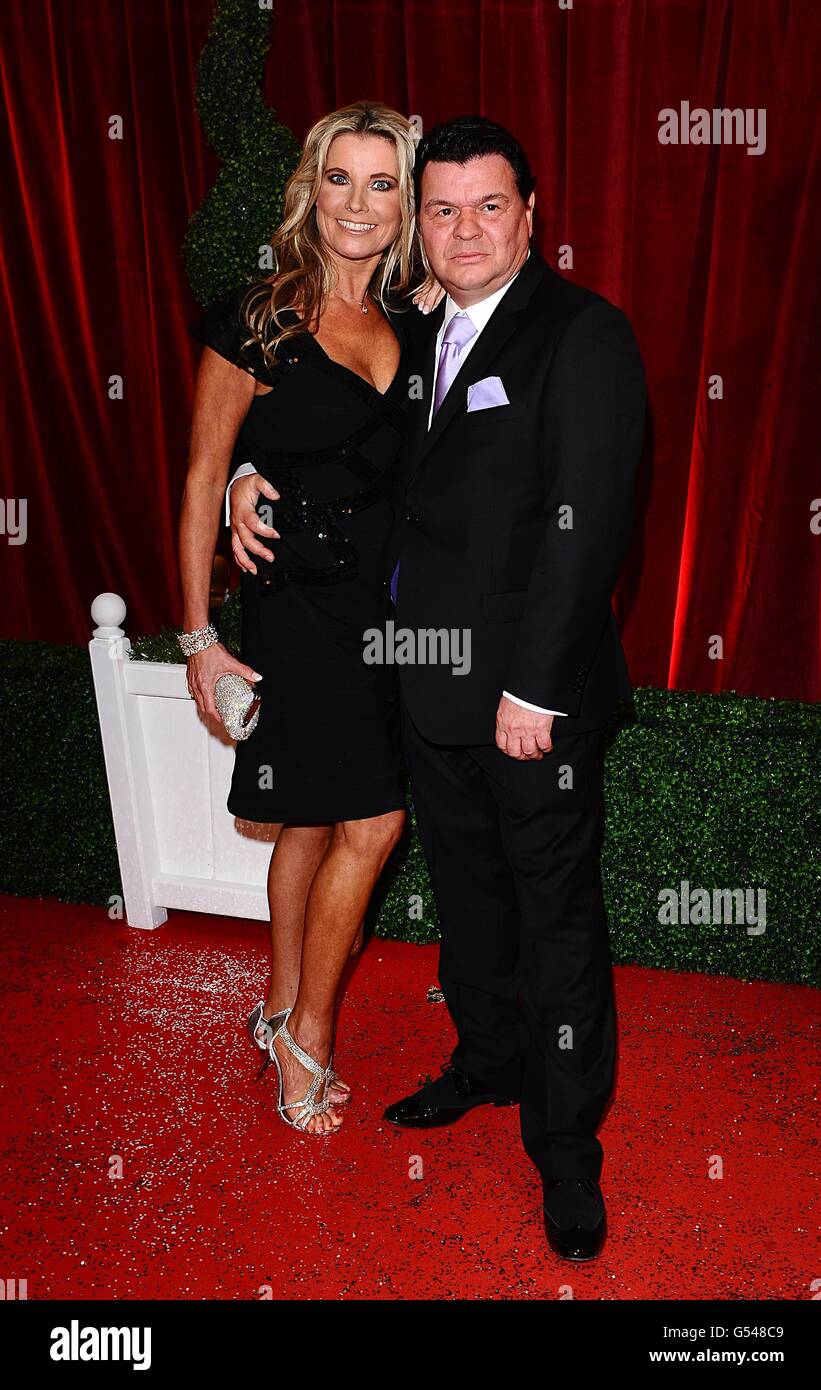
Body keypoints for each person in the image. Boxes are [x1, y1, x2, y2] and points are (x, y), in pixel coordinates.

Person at [230, 114, 646, 1262]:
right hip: (425, 682)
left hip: (529, 702)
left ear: (529, 216)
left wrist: (537, 689)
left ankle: (567, 1151)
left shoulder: (581, 336)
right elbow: (340, 438)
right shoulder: (417, 330)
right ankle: (486, 1060)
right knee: (468, 897)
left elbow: (587, 532)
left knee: (555, 918)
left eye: (488, 207)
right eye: (445, 207)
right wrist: (249, 472)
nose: (464, 229)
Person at [178, 101, 419, 1137]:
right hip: (293, 607)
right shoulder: (259, 318)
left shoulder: (420, 320)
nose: (357, 204)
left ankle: (278, 1006)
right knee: (373, 817)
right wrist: (198, 637)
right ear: (308, 190)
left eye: (381, 182)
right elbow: (198, 476)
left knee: (319, 817)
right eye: (339, 178)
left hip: (390, 611)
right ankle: (308, 1037)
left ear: (405, 200)